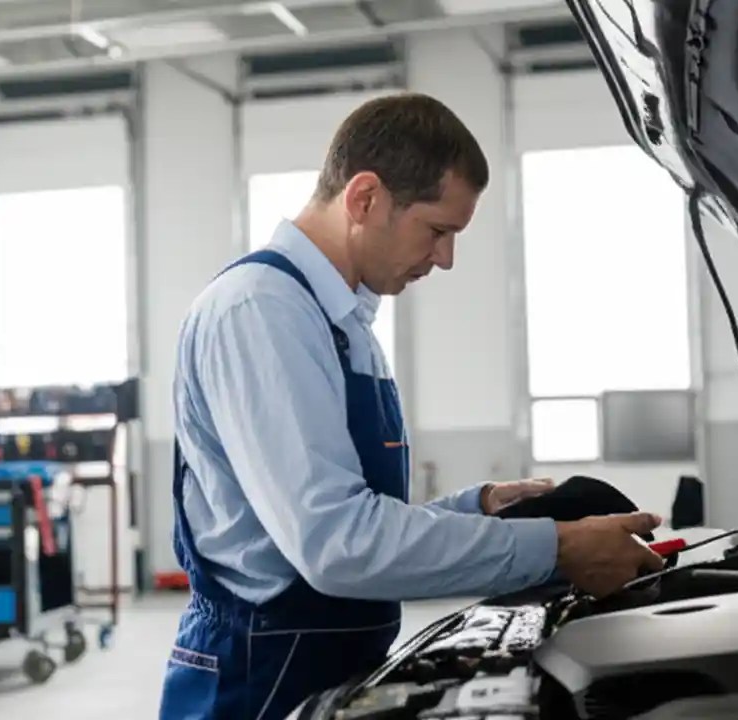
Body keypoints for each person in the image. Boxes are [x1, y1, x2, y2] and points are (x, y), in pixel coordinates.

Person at [160, 92, 664, 720]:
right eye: (437, 230)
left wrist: (475, 510)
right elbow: (337, 544)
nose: (445, 258)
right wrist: (554, 546)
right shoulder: (261, 311)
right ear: (365, 198)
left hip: (326, 659)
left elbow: (345, 517)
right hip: (258, 678)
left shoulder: (342, 321)